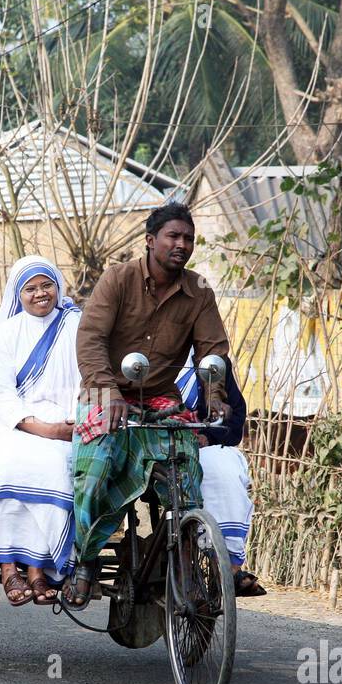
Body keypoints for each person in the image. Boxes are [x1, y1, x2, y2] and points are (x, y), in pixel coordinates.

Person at [64, 202, 232, 609]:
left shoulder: (200, 291)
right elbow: (90, 340)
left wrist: (214, 396)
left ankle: (187, 560)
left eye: (188, 238)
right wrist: (109, 392)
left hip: (160, 401)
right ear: (150, 241)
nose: (182, 244)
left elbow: (213, 351)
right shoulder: (117, 279)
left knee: (185, 474)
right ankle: (85, 562)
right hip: (107, 397)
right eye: (173, 236)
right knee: (96, 470)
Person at [0, 255, 81, 606]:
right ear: (17, 294)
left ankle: (39, 570)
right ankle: (9, 568)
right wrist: (45, 430)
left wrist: (70, 424)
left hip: (66, 423)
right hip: (13, 424)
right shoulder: (5, 334)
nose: (40, 294)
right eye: (31, 288)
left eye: (46, 285)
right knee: (10, 463)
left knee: (57, 467)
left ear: (58, 286)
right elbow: (2, 397)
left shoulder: (76, 327)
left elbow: (90, 379)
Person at [176, 354, 266, 597]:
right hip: (153, 448)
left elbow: (234, 422)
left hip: (202, 450)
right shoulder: (140, 350)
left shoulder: (211, 361)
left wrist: (208, 437)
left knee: (226, 468)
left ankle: (228, 568)